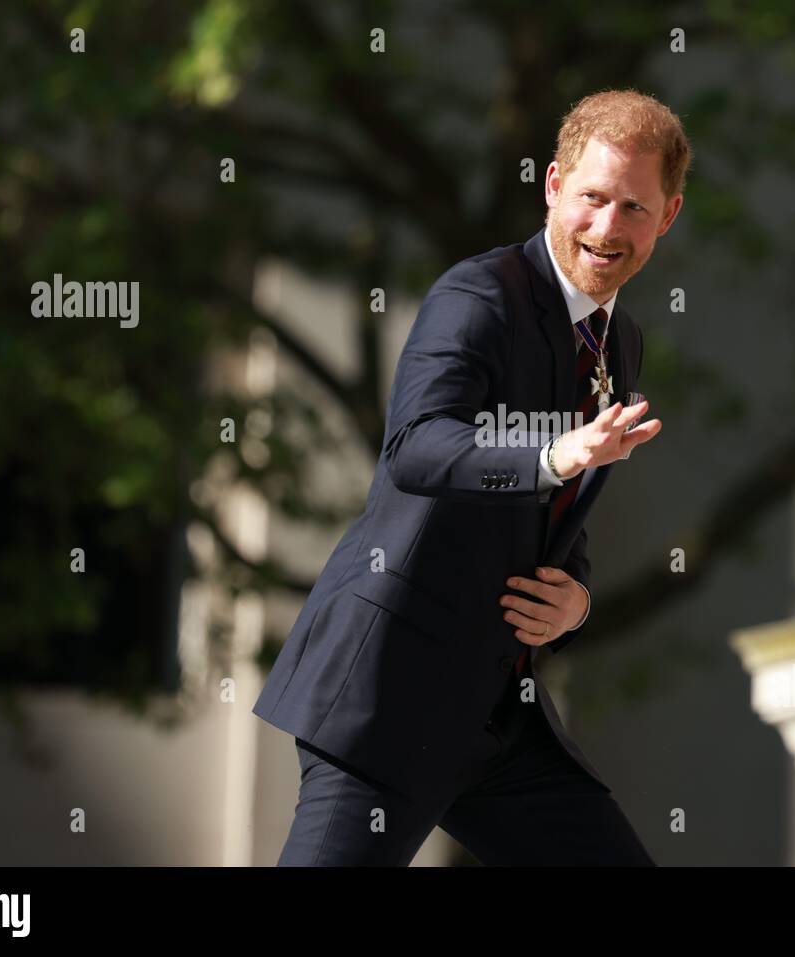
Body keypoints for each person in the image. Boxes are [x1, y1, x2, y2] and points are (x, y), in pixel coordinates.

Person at [253, 88, 689, 865]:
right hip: (387, 701)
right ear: (553, 187)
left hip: (499, 722)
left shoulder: (620, 344)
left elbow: (558, 517)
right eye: (591, 197)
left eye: (633, 206)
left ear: (669, 215)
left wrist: (576, 600)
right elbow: (416, 447)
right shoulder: (476, 294)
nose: (607, 226)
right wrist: (548, 456)